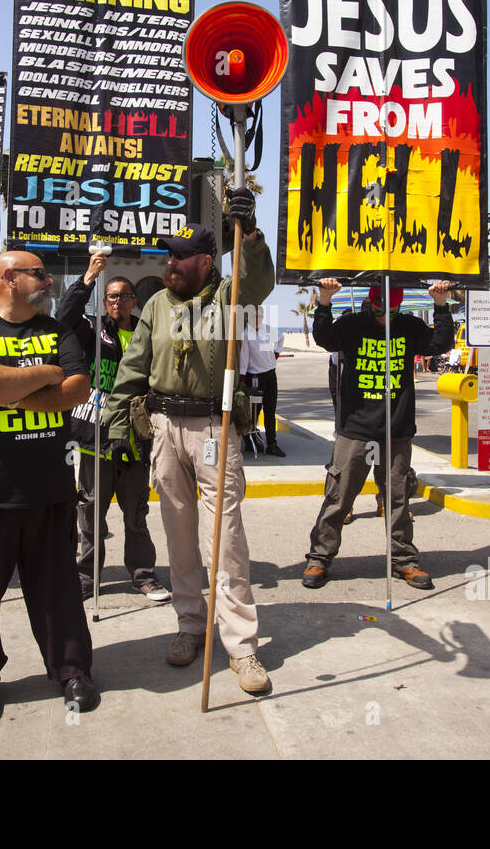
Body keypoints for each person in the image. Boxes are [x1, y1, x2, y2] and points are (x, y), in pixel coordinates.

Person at [104, 189, 275, 695]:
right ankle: (189, 625)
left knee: (224, 536)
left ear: (205, 260)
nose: (171, 263)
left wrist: (252, 232)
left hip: (212, 428)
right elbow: (134, 366)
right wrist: (118, 423)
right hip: (163, 427)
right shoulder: (155, 303)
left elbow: (260, 282)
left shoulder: (229, 295)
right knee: (178, 535)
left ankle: (242, 646)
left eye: (180, 257)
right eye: (168, 256)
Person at [0, 248, 98, 724]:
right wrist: (46, 376)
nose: (48, 282)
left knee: (58, 590)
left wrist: (19, 391)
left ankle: (71, 669)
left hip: (48, 487)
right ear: (9, 279)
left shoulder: (57, 331)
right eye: (39, 274)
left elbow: (77, 389)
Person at [302, 278, 456, 590]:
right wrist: (325, 301)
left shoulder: (410, 326)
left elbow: (440, 344)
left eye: (391, 309)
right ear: (370, 302)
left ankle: (403, 560)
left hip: (396, 430)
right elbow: (324, 338)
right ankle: (320, 558)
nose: (384, 314)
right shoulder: (353, 325)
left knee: (398, 498)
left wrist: (440, 306)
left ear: (399, 306)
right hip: (356, 429)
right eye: (379, 308)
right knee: (338, 495)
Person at [55, 251, 170, 603]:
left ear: (135, 301)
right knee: (90, 512)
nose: (118, 301)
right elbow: (62, 318)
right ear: (104, 301)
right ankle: (87, 577)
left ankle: (143, 575)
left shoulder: (145, 333)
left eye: (125, 296)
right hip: (95, 436)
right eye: (112, 296)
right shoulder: (91, 332)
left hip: (134, 437)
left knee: (135, 513)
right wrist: (88, 279)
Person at [238, 306, 284, 456]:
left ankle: (272, 443)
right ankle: (250, 440)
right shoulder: (246, 333)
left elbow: (281, 338)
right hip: (255, 377)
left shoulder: (267, 329)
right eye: (254, 316)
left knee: (270, 411)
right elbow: (244, 357)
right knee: (253, 413)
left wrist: (275, 355)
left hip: (270, 375)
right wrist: (242, 379)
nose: (257, 319)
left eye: (260, 316)